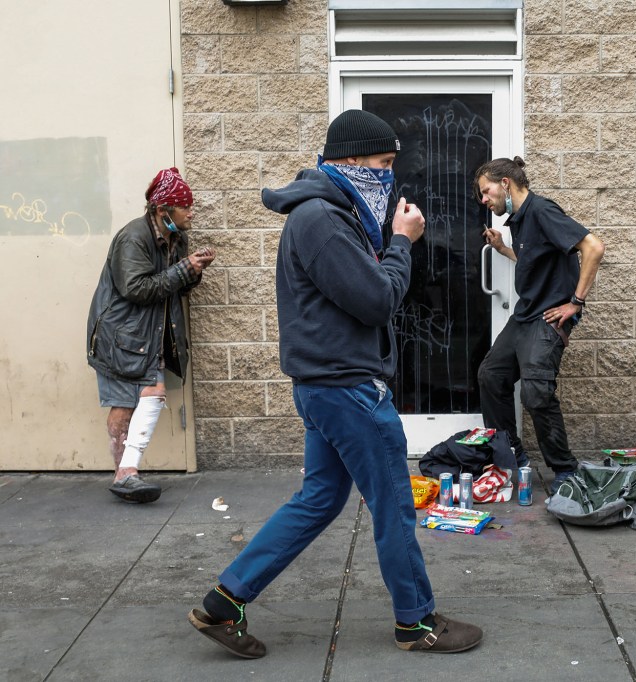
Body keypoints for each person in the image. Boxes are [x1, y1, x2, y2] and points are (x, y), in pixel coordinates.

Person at [188, 110, 483, 659]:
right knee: (394, 504)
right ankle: (416, 623)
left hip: (329, 384)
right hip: (346, 389)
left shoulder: (332, 215)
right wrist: (401, 242)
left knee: (320, 498)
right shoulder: (321, 220)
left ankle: (225, 602)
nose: (390, 177)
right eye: (383, 164)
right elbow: (376, 300)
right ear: (348, 162)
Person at [475, 157, 605, 493]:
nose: (484, 200)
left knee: (536, 391)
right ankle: (512, 456)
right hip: (526, 314)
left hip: (549, 316)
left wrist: (575, 302)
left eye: (486, 191)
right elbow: (534, 259)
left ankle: (565, 469)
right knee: (491, 375)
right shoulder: (518, 220)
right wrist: (503, 248)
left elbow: (593, 247)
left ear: (505, 183)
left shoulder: (541, 211)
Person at [86, 167, 215, 503]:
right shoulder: (133, 237)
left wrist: (194, 271)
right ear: (162, 211)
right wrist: (185, 268)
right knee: (124, 405)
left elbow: (177, 288)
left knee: (152, 393)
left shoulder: (177, 237)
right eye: (184, 207)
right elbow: (136, 288)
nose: (191, 212)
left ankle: (126, 474)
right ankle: (124, 474)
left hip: (152, 332)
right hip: (122, 334)